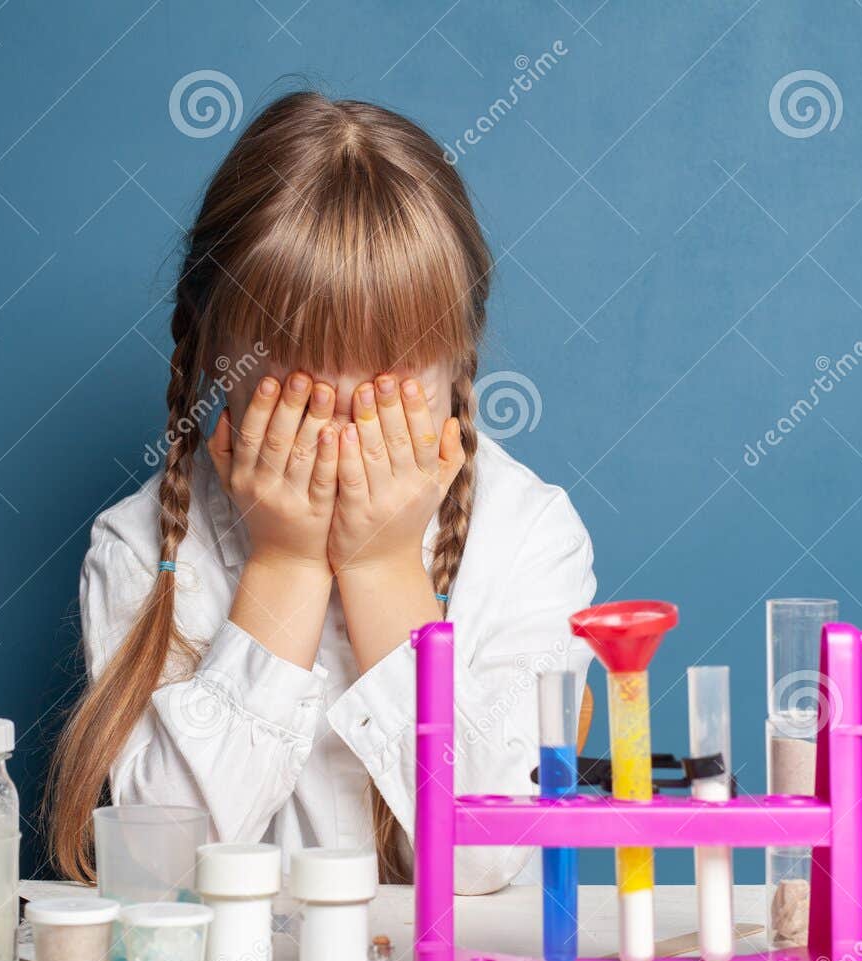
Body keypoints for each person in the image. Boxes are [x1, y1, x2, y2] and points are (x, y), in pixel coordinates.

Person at [48, 92, 595, 894]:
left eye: (387, 371)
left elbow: (480, 856)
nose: (344, 410)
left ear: (461, 356)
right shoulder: (147, 549)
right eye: (303, 371)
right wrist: (287, 564)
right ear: (212, 354)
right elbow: (159, 873)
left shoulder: (529, 535)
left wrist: (380, 569)